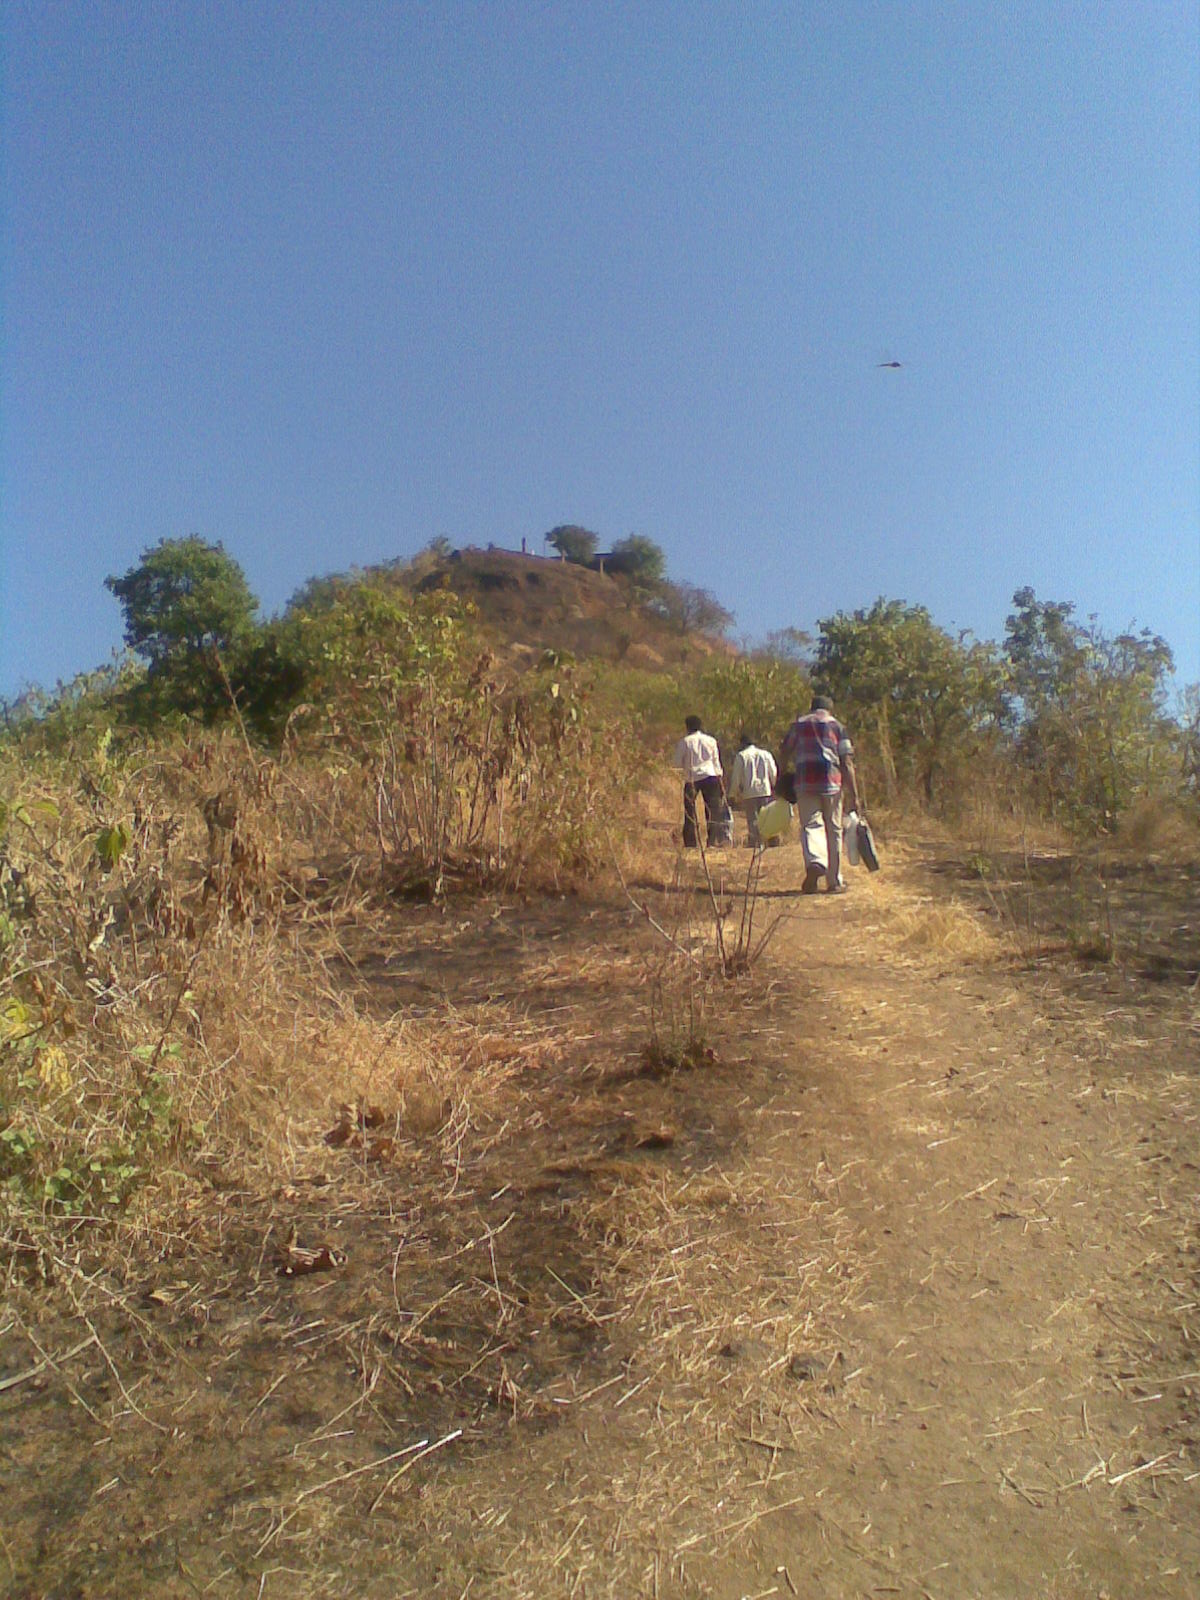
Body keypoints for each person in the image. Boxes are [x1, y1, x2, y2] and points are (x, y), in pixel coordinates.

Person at [780, 694, 859, 893]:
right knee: (834, 829)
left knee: (811, 824)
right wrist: (854, 793)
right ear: (829, 709)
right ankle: (834, 881)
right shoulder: (837, 726)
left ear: (812, 707)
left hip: (805, 781)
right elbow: (846, 761)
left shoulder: (798, 725)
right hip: (832, 781)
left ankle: (816, 861)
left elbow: (785, 750)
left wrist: (782, 774)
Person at [672, 715, 730, 848]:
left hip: (692, 778)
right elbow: (716, 762)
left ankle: (691, 843)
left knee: (690, 811)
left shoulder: (685, 742)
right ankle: (712, 841)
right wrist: (720, 779)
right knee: (712, 810)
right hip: (711, 776)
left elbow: (676, 762)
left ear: (687, 727)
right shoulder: (711, 740)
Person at [727, 733, 778, 848]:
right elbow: (773, 772)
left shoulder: (741, 756)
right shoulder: (765, 754)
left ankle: (756, 844)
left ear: (742, 743)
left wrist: (732, 794)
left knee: (753, 820)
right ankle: (770, 842)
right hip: (765, 790)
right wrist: (775, 786)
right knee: (766, 818)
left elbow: (736, 777)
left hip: (750, 792)